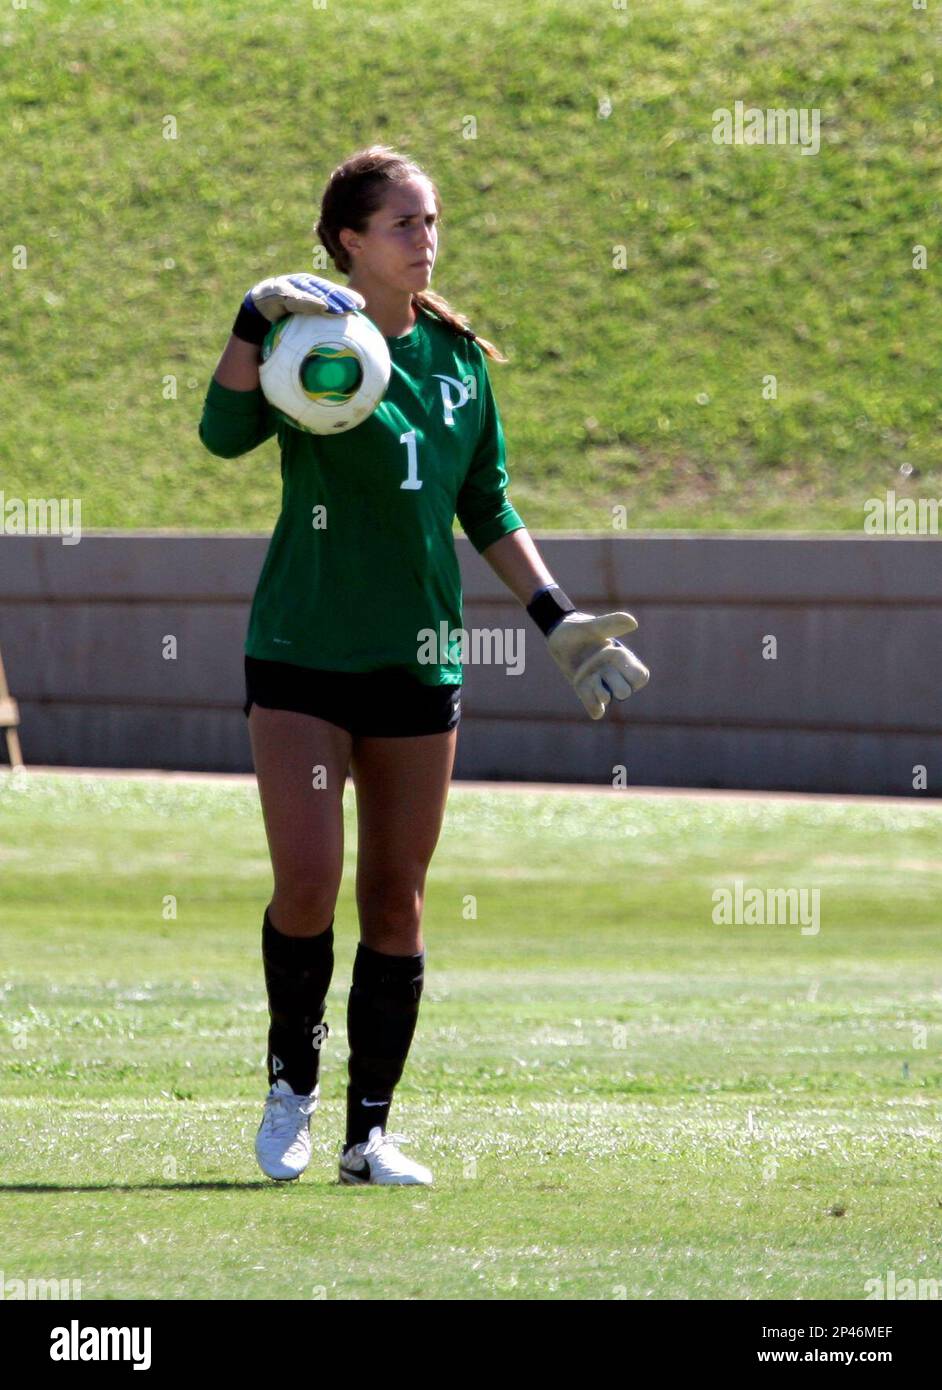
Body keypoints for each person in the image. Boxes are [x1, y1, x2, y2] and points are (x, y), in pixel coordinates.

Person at [197, 144, 650, 1187]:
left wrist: (557, 618)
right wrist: (249, 316)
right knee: (308, 883)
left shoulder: (458, 362)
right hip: (302, 653)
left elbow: (485, 503)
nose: (427, 241)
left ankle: (367, 1136)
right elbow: (223, 435)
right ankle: (291, 1090)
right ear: (349, 240)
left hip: (421, 661)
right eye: (405, 224)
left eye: (433, 222)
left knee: (396, 897)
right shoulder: (308, 339)